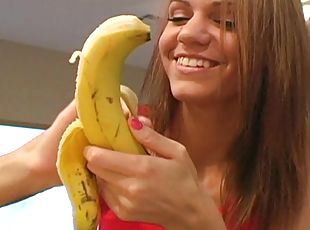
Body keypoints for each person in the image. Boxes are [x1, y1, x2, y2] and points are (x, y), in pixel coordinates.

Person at [1, 0, 310, 229]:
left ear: (276, 48)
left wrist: (197, 222)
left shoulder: (298, 171)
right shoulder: (114, 130)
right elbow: (23, 169)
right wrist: (43, 157)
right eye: (178, 16)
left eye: (228, 22)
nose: (188, 34)